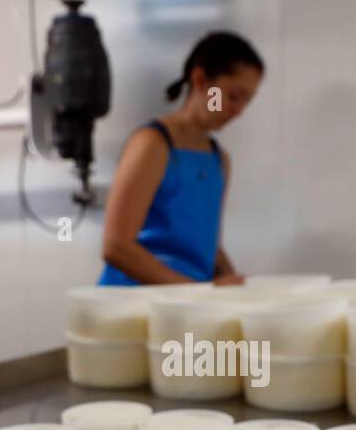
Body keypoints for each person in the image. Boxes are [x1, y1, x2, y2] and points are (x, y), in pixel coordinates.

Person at [98, 31, 264, 286]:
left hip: (185, 307)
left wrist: (237, 289)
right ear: (199, 80)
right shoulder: (152, 146)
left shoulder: (220, 161)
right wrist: (197, 294)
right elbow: (116, 247)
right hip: (135, 308)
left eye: (247, 101)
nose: (238, 111)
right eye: (232, 96)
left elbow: (207, 247)